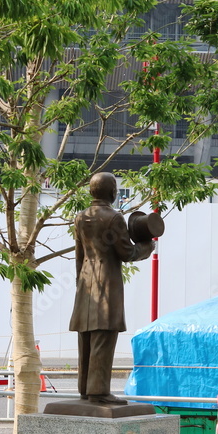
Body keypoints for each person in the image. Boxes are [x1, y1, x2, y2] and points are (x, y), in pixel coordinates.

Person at [70, 172, 153, 405]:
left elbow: (79, 255)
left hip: (85, 282)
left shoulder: (80, 217)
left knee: (86, 338)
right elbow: (127, 253)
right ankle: (98, 391)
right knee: (104, 337)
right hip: (106, 283)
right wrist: (147, 247)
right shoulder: (114, 218)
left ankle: (85, 389)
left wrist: (79, 282)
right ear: (112, 192)